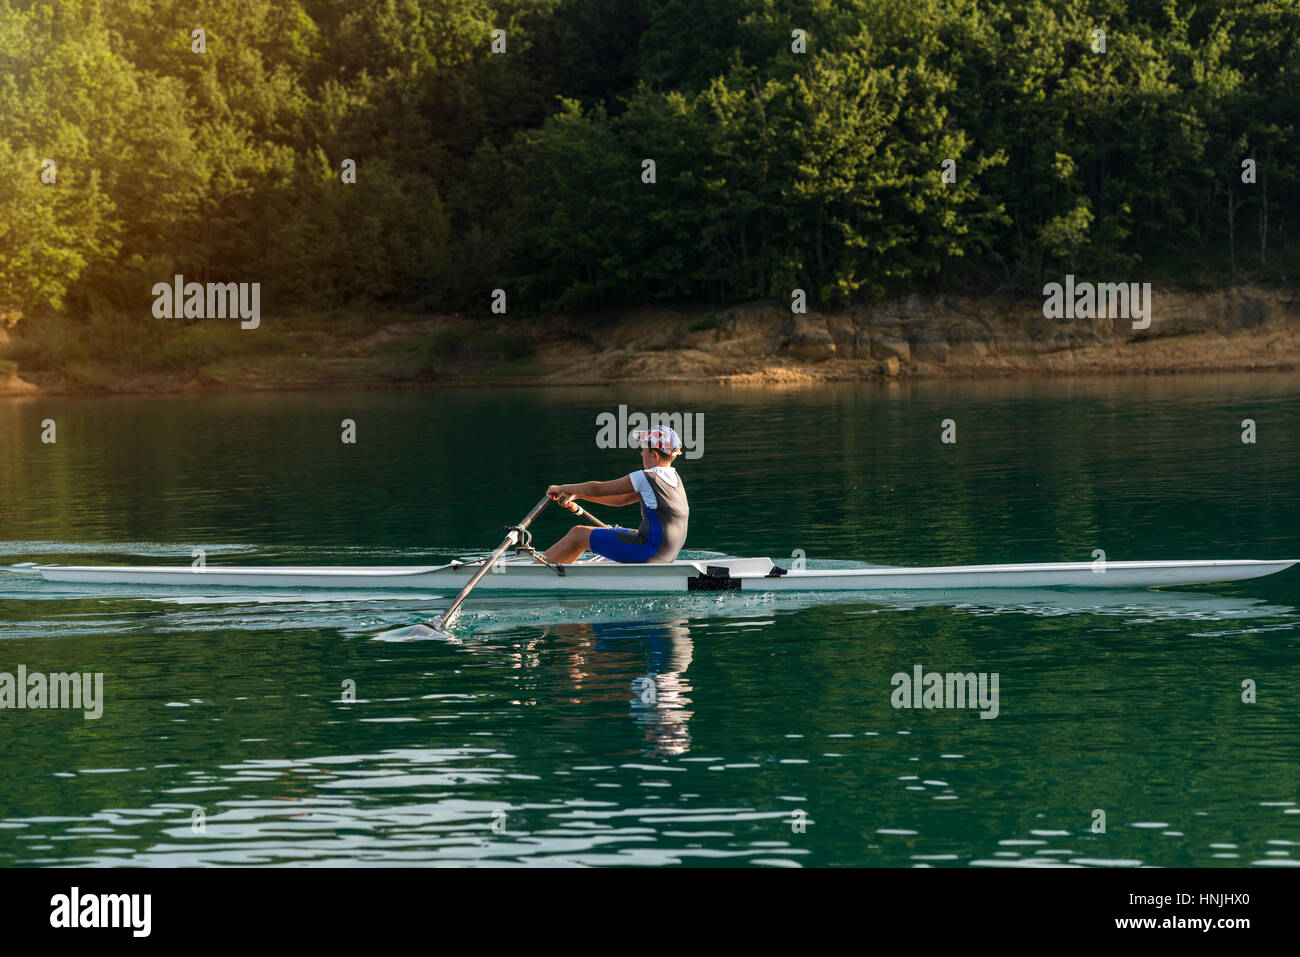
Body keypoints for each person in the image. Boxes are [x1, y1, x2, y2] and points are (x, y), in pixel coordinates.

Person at [542, 426, 689, 564]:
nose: (641, 453)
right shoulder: (674, 478)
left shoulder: (646, 477)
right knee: (606, 530)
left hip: (649, 551)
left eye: (643, 449)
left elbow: (596, 489)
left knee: (577, 534)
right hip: (666, 553)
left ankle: (536, 572)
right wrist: (578, 495)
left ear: (654, 454)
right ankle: (554, 569)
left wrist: (562, 488)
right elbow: (620, 500)